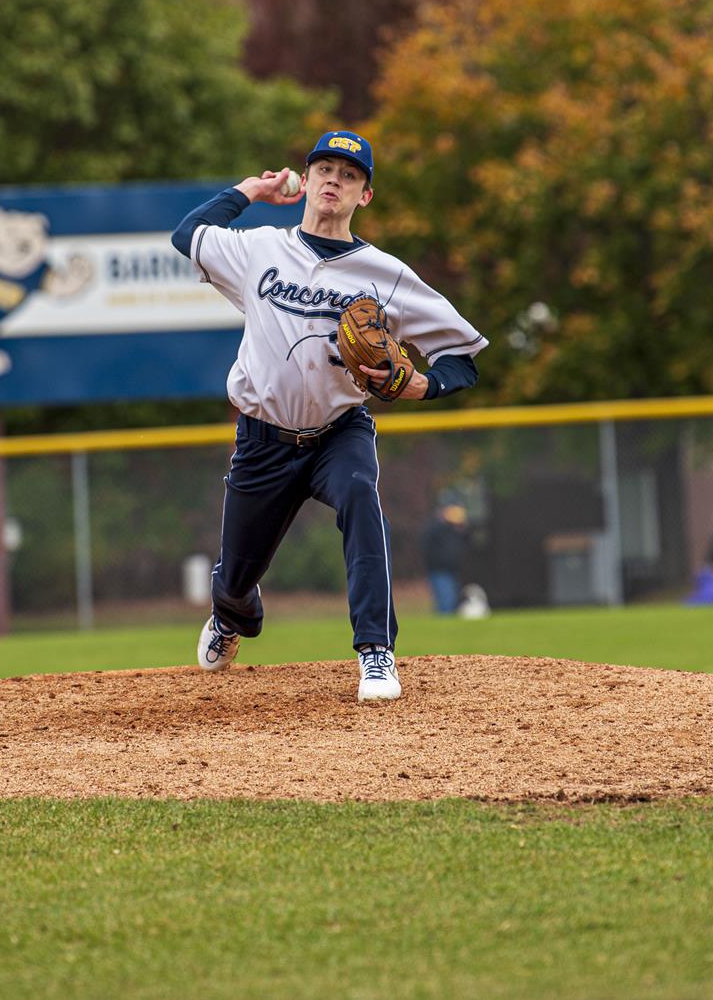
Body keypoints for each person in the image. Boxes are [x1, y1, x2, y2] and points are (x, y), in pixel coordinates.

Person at [171, 130, 488, 701]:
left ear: (364, 194)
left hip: (338, 433)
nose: (334, 181)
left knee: (362, 498)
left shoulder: (385, 274)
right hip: (262, 439)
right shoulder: (259, 249)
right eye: (325, 169)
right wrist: (249, 191)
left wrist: (423, 384)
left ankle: (376, 653)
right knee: (235, 579)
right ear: (308, 180)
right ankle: (232, 613)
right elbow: (185, 235)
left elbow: (461, 359)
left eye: (349, 175)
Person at [422, 503, 471, 615]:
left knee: (452, 601)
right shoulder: (436, 529)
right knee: (446, 602)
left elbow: (467, 539)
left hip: (453, 570)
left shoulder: (455, 532)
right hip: (439, 570)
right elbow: (426, 546)